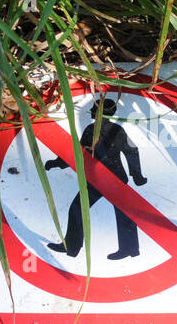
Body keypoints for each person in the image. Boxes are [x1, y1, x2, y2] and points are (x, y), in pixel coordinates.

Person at [44, 97, 147, 260]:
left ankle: (128, 248)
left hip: (113, 181)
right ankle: (73, 247)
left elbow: (131, 151)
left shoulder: (101, 130)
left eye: (94, 108)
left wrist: (137, 175)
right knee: (79, 208)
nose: (91, 111)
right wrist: (57, 163)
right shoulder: (93, 130)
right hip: (100, 180)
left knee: (119, 213)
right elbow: (78, 152)